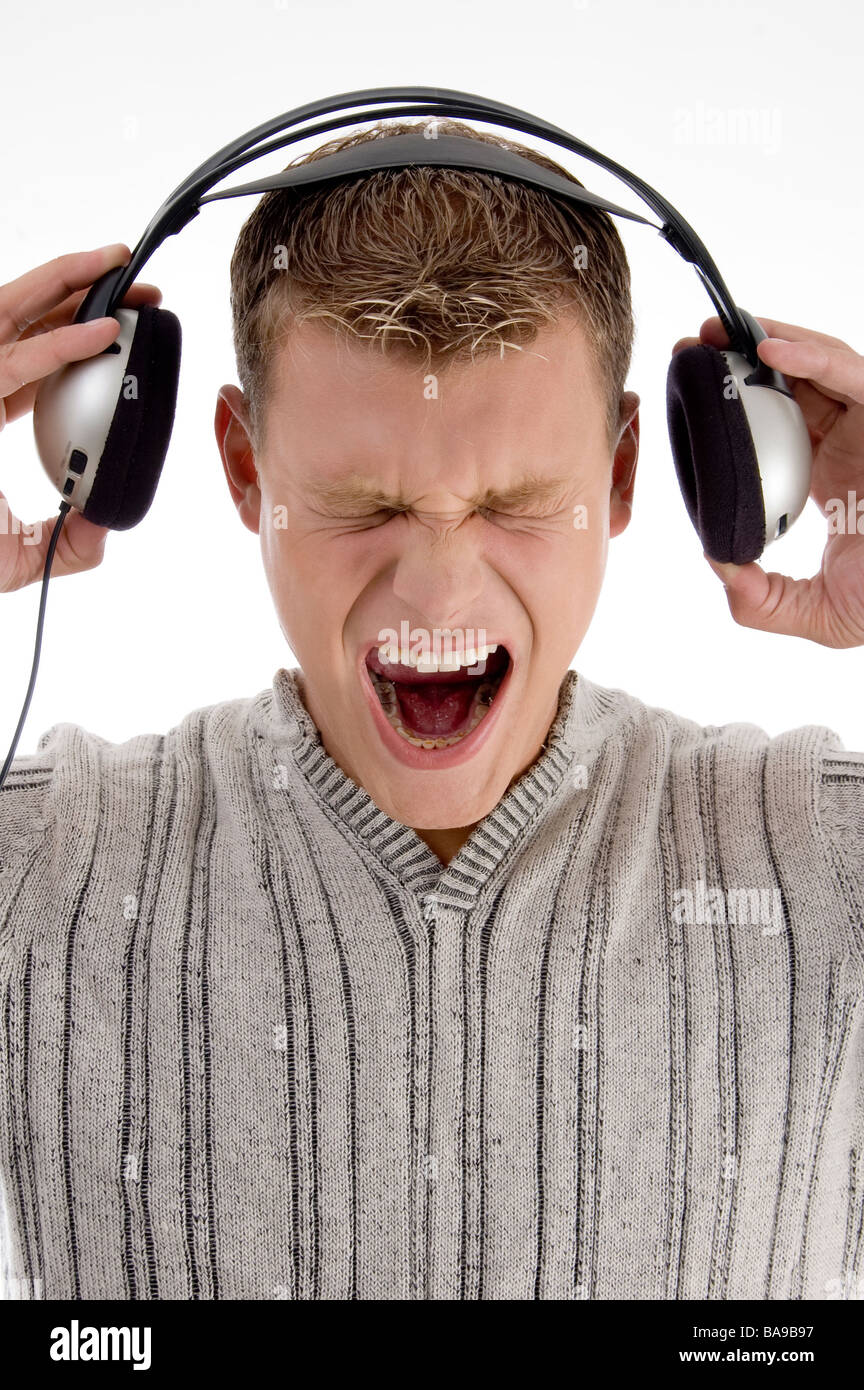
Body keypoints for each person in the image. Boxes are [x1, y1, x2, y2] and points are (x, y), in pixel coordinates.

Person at [1, 119, 862, 1302]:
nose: (439, 586)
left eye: (514, 501)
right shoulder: (41, 875)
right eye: (363, 506)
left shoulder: (829, 874)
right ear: (247, 474)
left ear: (620, 477)